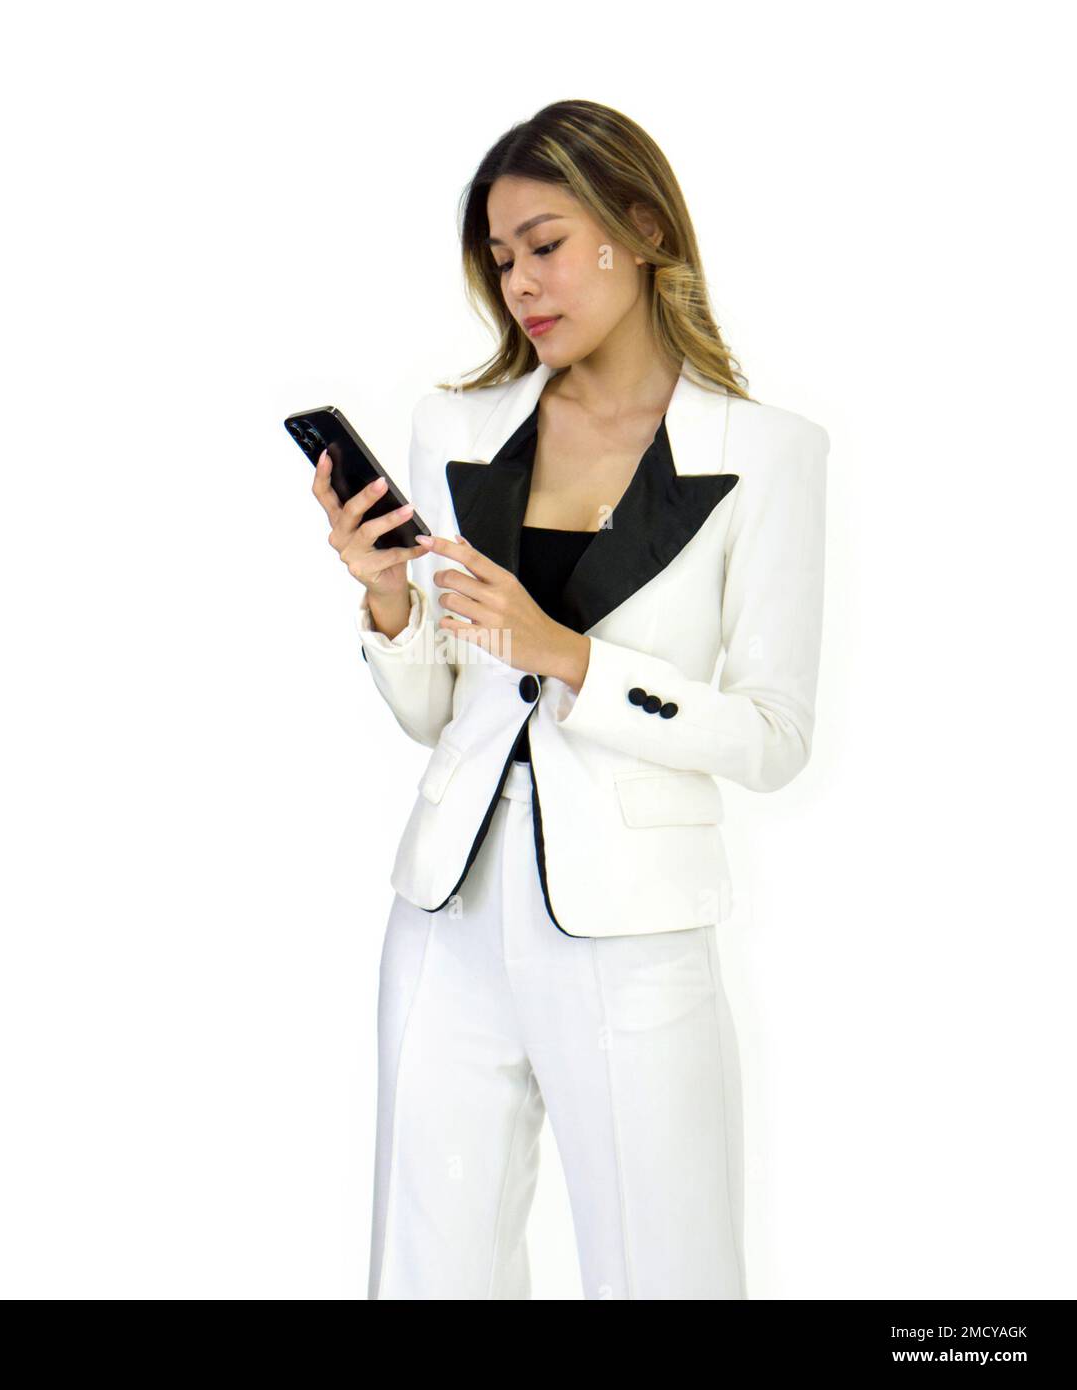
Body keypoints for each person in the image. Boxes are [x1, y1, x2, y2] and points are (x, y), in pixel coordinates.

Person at [310, 99, 828, 1300]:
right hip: (444, 910)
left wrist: (575, 658)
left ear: (637, 227)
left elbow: (773, 737)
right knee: (426, 1265)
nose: (521, 285)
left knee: (668, 1269)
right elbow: (444, 709)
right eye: (500, 261)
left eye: (544, 244)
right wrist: (389, 602)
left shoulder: (766, 453)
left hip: (635, 933)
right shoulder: (458, 428)